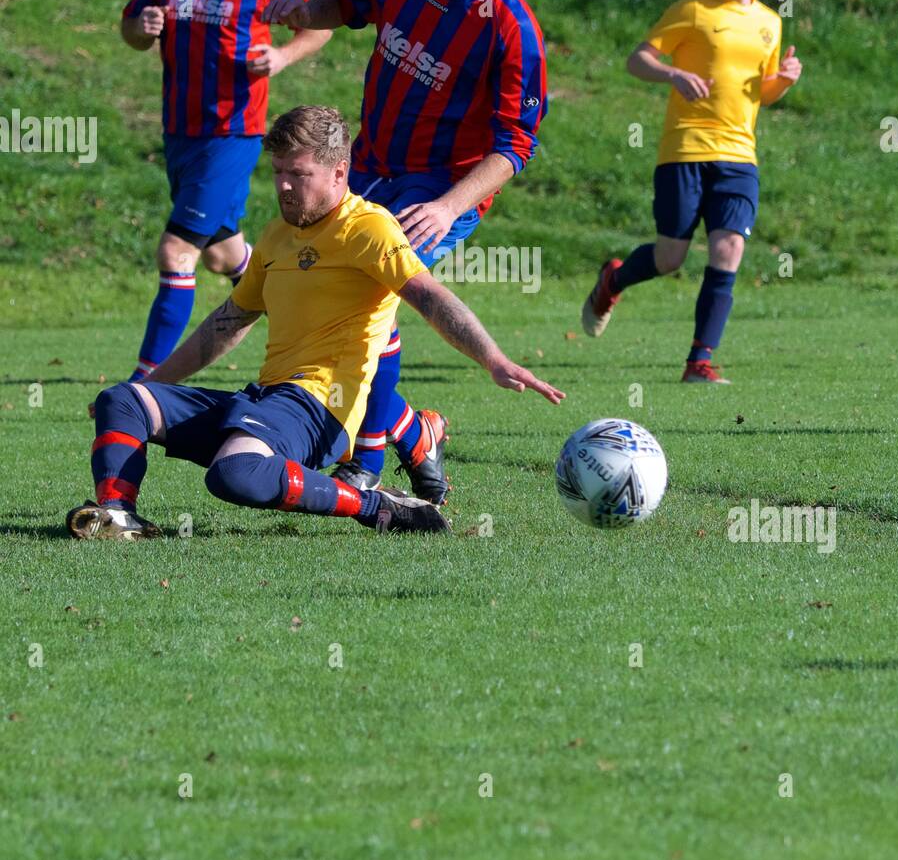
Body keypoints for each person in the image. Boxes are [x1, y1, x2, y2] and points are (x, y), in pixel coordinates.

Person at [67, 106, 563, 541]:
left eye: (297, 174)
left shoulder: (367, 227)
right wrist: (153, 384)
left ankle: (378, 507)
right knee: (124, 400)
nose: (283, 185)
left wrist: (494, 359)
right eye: (278, 171)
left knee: (233, 475)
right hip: (264, 399)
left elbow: (430, 298)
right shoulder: (276, 235)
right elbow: (227, 323)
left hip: (320, 409)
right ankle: (116, 515)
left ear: (338, 173)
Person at [261, 0, 546, 503]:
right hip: (363, 171)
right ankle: (414, 434)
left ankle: (365, 461)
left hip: (439, 192)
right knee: (318, 290)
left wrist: (447, 207)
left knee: (372, 294)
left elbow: (514, 147)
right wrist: (306, 11)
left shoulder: (511, 29)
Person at [120, 0, 330, 381]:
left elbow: (319, 21)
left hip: (233, 131)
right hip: (180, 130)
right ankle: (301, 307)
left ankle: (147, 383)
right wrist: (140, 29)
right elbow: (130, 27)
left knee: (176, 252)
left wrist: (282, 56)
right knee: (223, 257)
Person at [581, 0, 803, 382]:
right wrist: (673, 74)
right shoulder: (695, 10)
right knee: (670, 259)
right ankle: (613, 280)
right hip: (684, 150)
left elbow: (760, 92)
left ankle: (699, 361)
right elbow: (637, 58)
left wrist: (783, 81)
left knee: (728, 249)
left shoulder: (769, 22)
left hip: (740, 156)